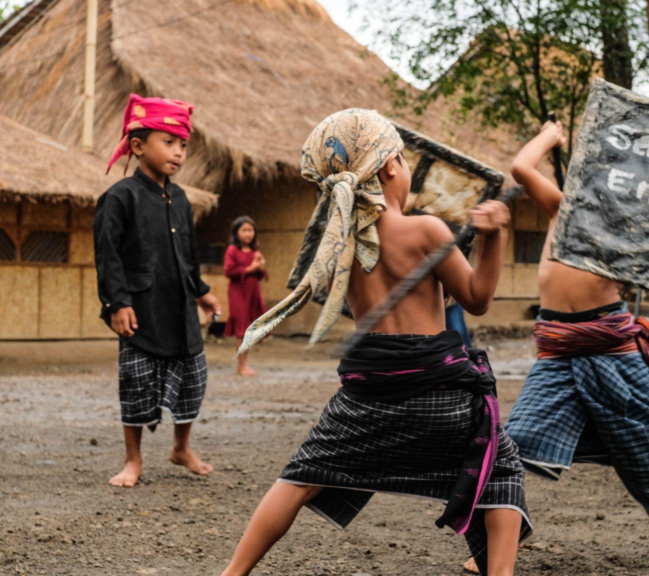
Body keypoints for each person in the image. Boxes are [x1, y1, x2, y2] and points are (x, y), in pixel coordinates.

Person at [219, 109, 530, 576]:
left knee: (300, 476)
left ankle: (232, 573)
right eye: (403, 161)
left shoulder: (340, 243)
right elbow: (478, 299)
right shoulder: (427, 231)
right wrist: (494, 238)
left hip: (368, 396)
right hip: (441, 396)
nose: (406, 171)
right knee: (502, 470)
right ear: (390, 166)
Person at [465, 120, 649, 572]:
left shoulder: (629, 232)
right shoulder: (561, 209)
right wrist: (552, 135)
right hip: (556, 352)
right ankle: (497, 547)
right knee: (510, 446)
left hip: (613, 350)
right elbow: (520, 166)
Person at [95, 94, 221, 487]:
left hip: (179, 307)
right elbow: (108, 255)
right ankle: (133, 460)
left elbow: (188, 251)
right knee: (136, 383)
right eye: (169, 142)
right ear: (137, 145)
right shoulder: (119, 198)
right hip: (140, 310)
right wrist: (117, 302)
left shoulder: (181, 199)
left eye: (183, 145)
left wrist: (201, 291)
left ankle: (181, 448)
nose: (178, 152)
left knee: (192, 380)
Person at [224, 216, 268, 376]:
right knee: (241, 329)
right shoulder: (232, 250)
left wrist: (261, 266)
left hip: (252, 293)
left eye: (250, 230)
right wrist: (250, 268)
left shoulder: (255, 251)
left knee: (250, 329)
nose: (248, 234)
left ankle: (245, 364)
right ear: (236, 233)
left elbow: (261, 276)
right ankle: (241, 366)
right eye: (244, 230)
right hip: (237, 293)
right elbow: (228, 271)